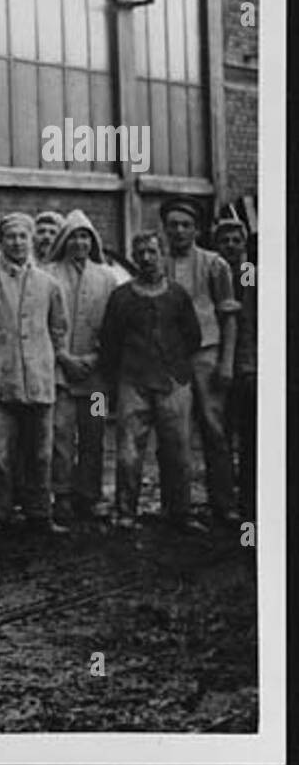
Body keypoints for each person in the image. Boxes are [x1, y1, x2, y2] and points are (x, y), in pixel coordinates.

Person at [0, 213, 69, 533]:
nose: (17, 242)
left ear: (31, 239)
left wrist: (49, 366)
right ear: (1, 241)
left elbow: (59, 330)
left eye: (22, 236)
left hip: (39, 381)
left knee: (40, 452)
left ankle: (40, 514)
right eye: (10, 236)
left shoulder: (49, 284)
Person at [99, 230, 205, 533]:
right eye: (140, 252)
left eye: (152, 252)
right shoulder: (121, 297)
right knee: (129, 452)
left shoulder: (177, 295)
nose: (146, 258)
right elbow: (110, 342)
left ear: (162, 255)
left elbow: (193, 337)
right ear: (133, 257)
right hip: (133, 382)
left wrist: (175, 367)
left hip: (174, 381)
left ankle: (179, 513)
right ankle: (125, 512)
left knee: (177, 449)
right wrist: (118, 380)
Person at [161, 197, 240, 525]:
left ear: (196, 229)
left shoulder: (214, 264)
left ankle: (224, 503)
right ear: (164, 229)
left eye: (186, 225)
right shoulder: (158, 264)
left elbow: (229, 316)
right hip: (171, 358)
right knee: (173, 431)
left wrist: (226, 362)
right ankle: (177, 506)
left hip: (207, 354)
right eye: (173, 225)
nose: (179, 231)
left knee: (214, 429)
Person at [43, 209, 117, 524]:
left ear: (93, 241)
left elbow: (115, 327)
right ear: (64, 240)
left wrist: (97, 357)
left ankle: (90, 495)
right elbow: (41, 322)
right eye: (73, 236)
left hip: (95, 377)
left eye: (85, 236)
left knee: (93, 434)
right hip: (60, 374)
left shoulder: (107, 277)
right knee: (60, 433)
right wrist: (63, 356)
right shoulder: (47, 274)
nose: (80, 242)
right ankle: (61, 495)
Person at [214, 213, 256, 518]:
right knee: (219, 435)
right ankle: (223, 501)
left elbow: (249, 315)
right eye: (225, 241)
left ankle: (250, 500)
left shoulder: (247, 274)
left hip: (247, 367)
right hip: (215, 364)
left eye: (236, 241)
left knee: (250, 436)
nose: (230, 245)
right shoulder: (214, 272)